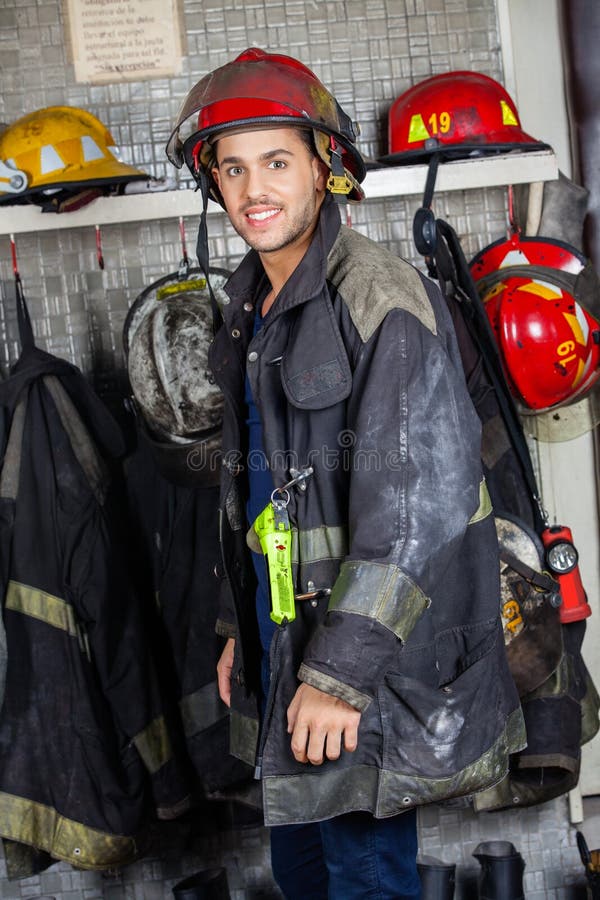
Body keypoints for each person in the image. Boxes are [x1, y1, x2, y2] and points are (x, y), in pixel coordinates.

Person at [166, 48, 526, 899]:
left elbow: (420, 506)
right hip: (290, 644)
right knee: (305, 876)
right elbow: (259, 485)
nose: (254, 188)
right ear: (214, 182)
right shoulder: (255, 304)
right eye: (234, 167)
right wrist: (236, 623)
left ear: (325, 170)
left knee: (363, 878)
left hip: (357, 669)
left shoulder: (377, 295)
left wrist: (339, 676)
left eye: (278, 162)